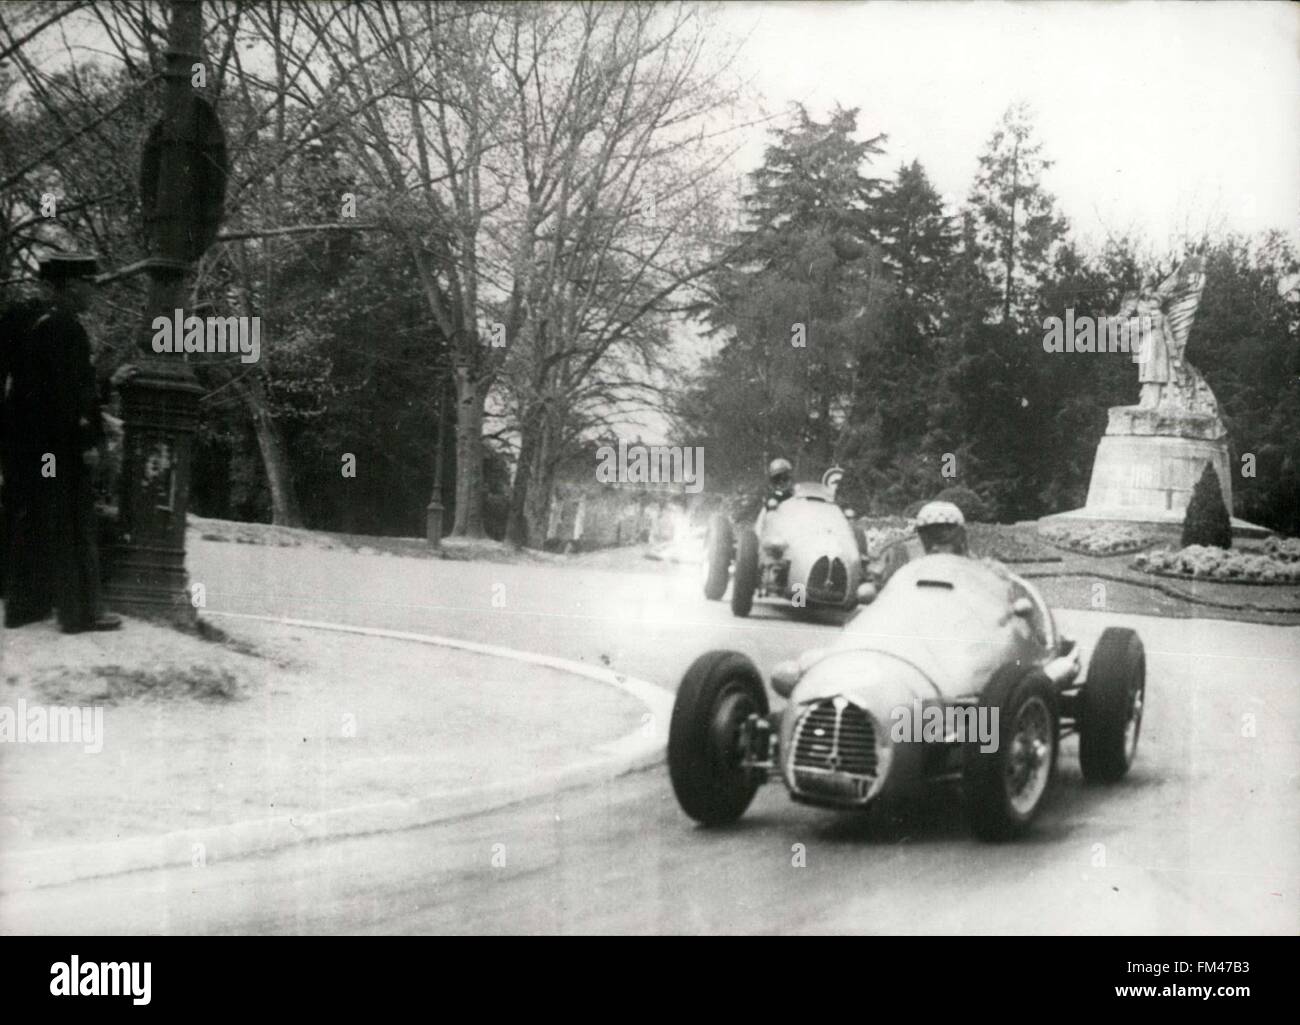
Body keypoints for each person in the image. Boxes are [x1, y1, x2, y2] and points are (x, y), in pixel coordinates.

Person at [2, 253, 120, 632]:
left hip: (29, 446)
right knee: (70, 518)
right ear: (70, 286)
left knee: (32, 515)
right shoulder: (67, 329)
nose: (94, 292)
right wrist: (90, 441)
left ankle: (25, 606)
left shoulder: (27, 321)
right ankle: (78, 613)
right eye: (90, 284)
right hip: (59, 447)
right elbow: (73, 398)